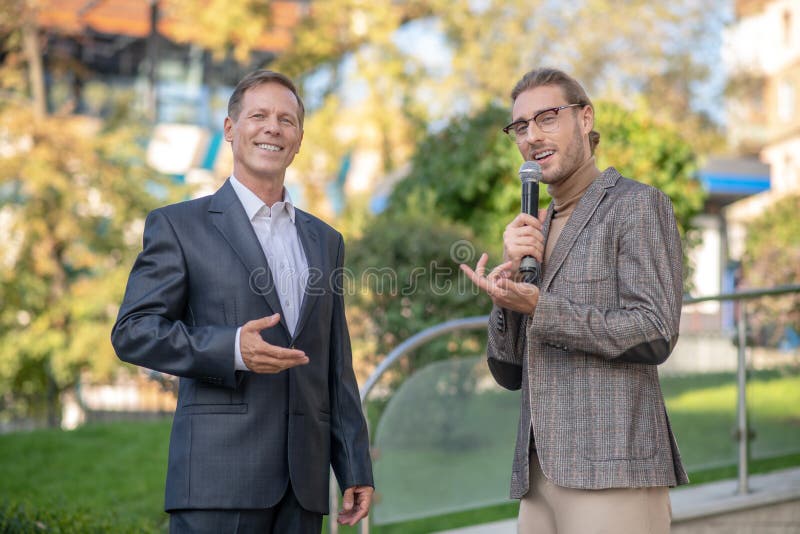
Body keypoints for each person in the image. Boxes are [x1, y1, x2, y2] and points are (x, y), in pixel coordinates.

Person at [111, 70, 373, 533]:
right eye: (259, 115)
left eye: (286, 120)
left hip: (303, 489)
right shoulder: (178, 226)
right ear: (231, 130)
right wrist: (231, 349)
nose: (273, 127)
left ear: (298, 140)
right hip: (217, 481)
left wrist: (353, 466)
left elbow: (336, 364)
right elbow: (133, 331)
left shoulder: (326, 241)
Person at [461, 67, 687, 533]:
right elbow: (508, 372)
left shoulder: (637, 206)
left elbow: (654, 330)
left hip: (613, 472)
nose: (532, 136)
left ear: (585, 119)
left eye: (547, 118)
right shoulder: (534, 229)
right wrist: (506, 300)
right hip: (538, 479)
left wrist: (540, 308)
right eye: (520, 127)